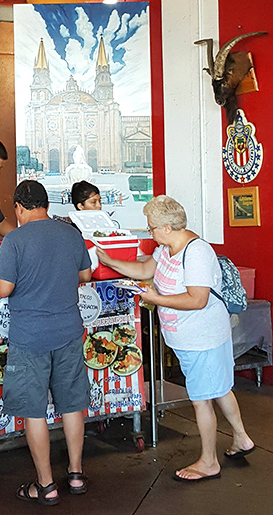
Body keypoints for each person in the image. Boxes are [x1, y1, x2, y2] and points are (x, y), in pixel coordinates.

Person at [97, 194, 253, 482]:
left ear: (167, 227)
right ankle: (241, 438)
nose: (150, 233)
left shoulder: (196, 253)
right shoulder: (167, 249)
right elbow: (145, 270)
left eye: (152, 228)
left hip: (202, 336)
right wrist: (111, 261)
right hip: (190, 335)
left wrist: (156, 298)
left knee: (201, 399)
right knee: (219, 388)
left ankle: (209, 462)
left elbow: (198, 299)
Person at [0, 180, 92, 505]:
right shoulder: (70, 233)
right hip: (68, 331)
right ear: (46, 205)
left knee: (33, 409)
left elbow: (3, 289)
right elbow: (85, 276)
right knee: (72, 402)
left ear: (19, 207)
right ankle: (76, 476)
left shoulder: (14, 240)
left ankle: (47, 485)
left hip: (30, 337)